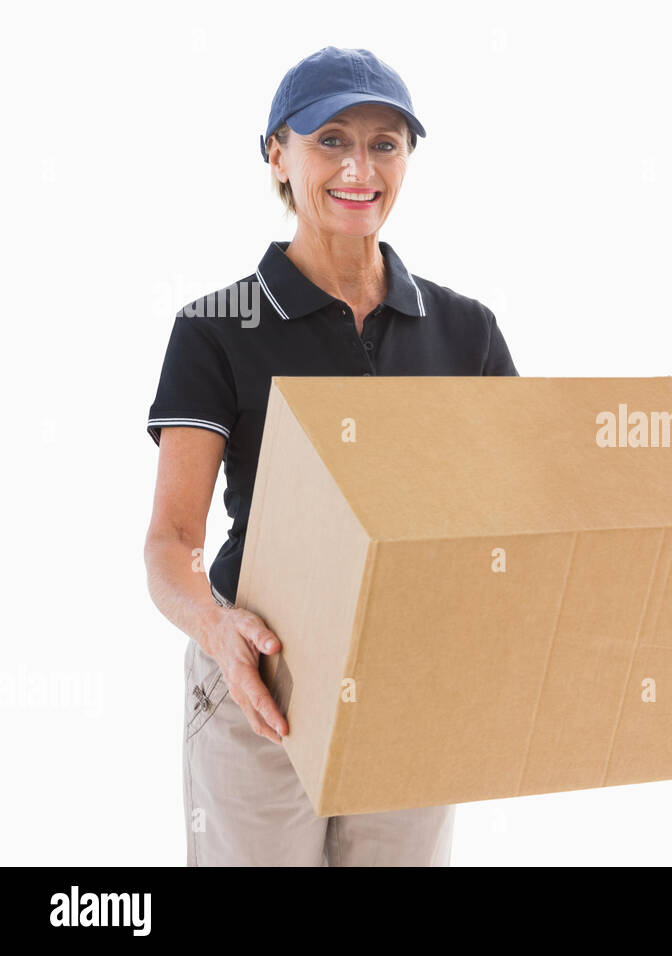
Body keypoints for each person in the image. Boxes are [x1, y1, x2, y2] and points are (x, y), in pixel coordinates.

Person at [142, 46, 519, 865]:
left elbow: (511, 520)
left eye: (385, 143)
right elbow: (171, 543)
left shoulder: (467, 331)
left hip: (412, 684)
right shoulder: (215, 328)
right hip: (264, 688)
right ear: (277, 153)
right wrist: (217, 628)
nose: (360, 166)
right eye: (330, 140)